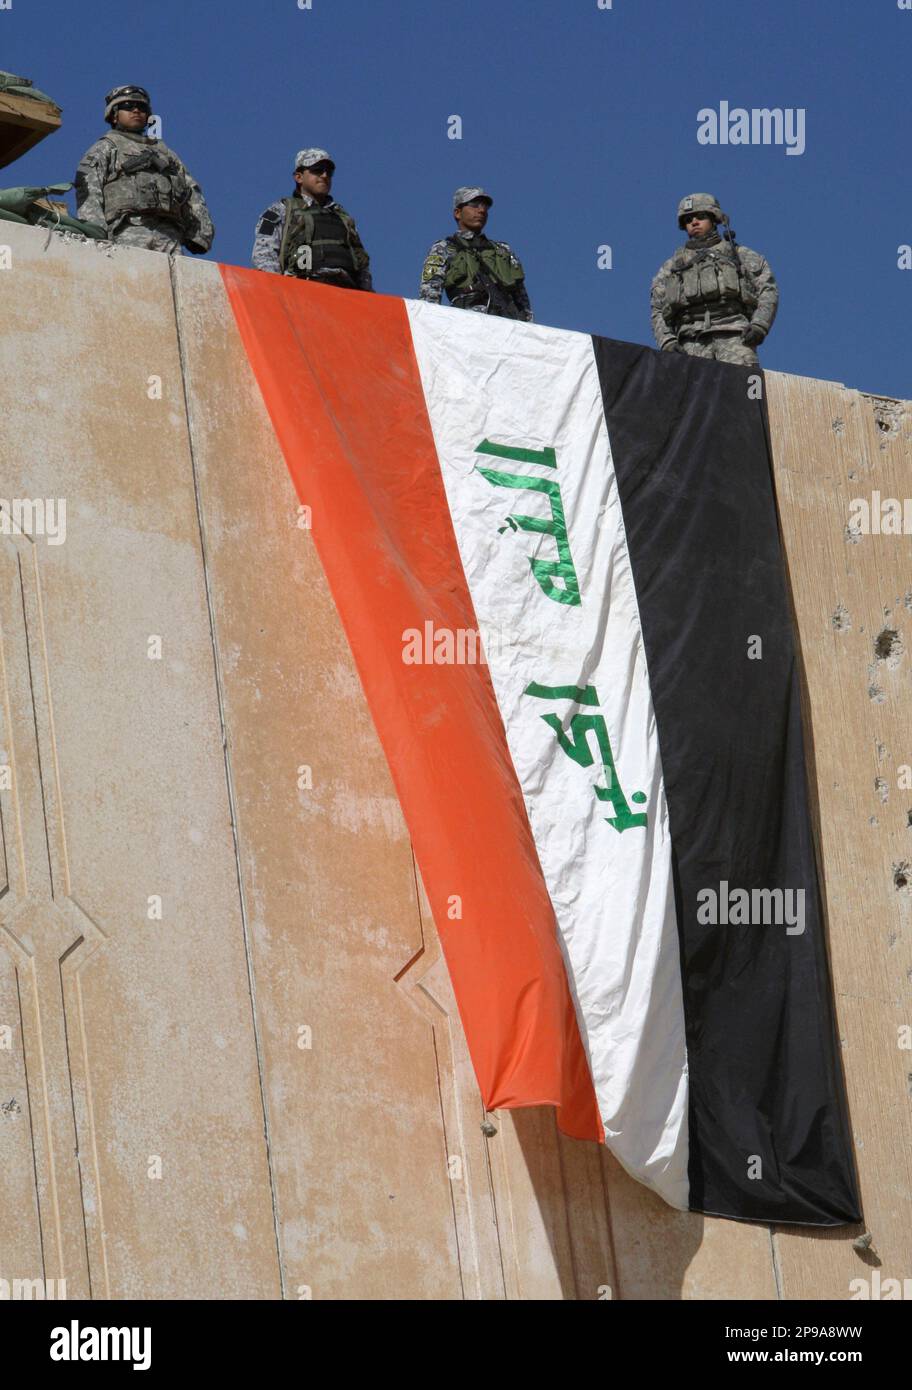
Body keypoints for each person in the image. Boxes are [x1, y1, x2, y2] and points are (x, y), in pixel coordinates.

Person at [74, 85, 213, 255]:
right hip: (128, 230)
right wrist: (95, 232)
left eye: (142, 107)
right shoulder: (106, 147)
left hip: (169, 235)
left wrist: (200, 234)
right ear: (114, 115)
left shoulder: (166, 153)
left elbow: (192, 192)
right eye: (127, 106)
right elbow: (87, 188)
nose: (136, 110)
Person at [650, 193, 777, 366]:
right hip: (690, 342)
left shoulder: (741, 255)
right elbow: (657, 308)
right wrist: (667, 342)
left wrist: (759, 325)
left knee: (741, 388)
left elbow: (767, 291)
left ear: (714, 218)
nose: (694, 222)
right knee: (694, 392)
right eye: (688, 220)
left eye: (700, 217)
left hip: (734, 336)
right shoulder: (672, 266)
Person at [251, 148, 372, 290]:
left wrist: (367, 296)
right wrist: (278, 290)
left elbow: (361, 263)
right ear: (299, 177)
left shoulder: (343, 217)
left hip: (346, 294)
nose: (324, 175)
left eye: (329, 172)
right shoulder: (282, 209)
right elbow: (264, 253)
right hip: (302, 290)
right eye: (317, 170)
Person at [419, 187, 532, 321]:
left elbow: (522, 301)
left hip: (508, 327)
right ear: (458, 213)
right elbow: (429, 297)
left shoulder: (502, 250)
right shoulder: (444, 248)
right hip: (468, 325)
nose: (481, 210)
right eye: (474, 205)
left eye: (484, 206)